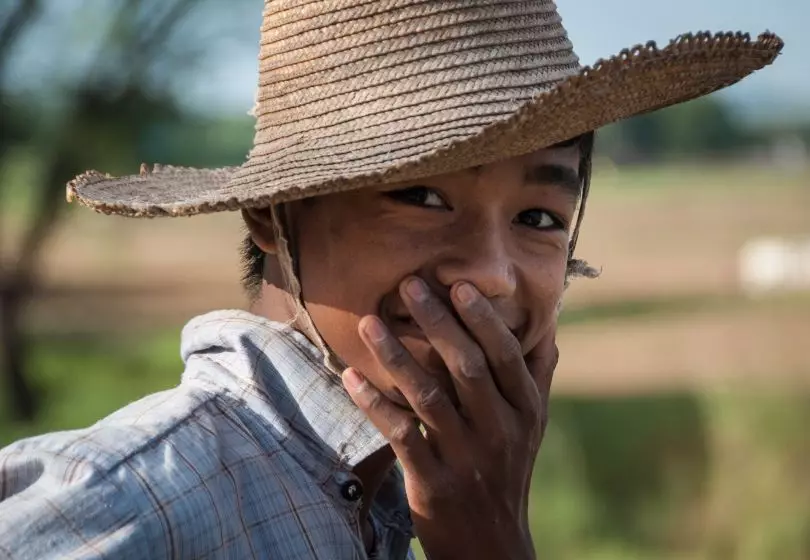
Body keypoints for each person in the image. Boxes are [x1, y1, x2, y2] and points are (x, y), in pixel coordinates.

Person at [0, 1, 782, 559]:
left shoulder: (400, 499)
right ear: (273, 216)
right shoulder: (119, 505)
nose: (493, 276)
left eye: (539, 217)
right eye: (422, 196)